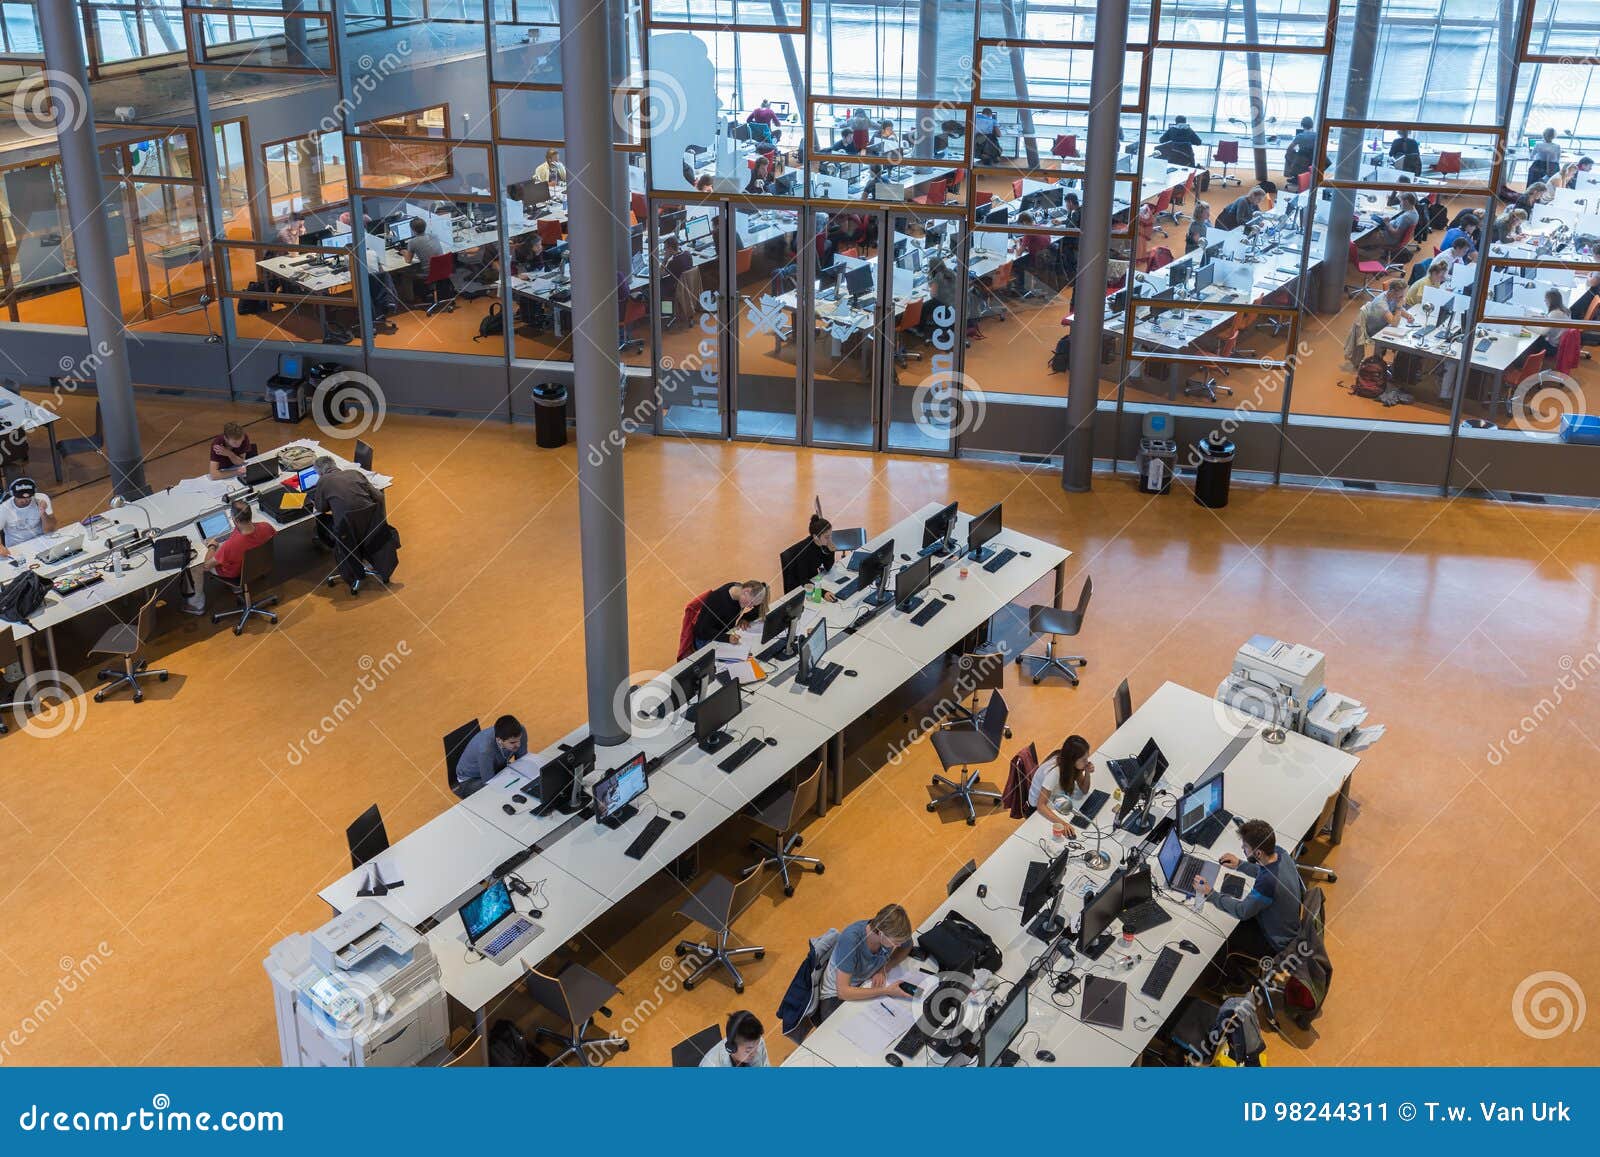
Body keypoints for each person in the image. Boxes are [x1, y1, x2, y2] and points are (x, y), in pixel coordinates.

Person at [1192, 819, 1304, 959]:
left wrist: (1210, 894)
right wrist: (1240, 865)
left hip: (1275, 942)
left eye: (1245, 846)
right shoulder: (1280, 853)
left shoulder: (1267, 883)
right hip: (1287, 926)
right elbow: (1265, 871)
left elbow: (1242, 911)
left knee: (1221, 937)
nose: (1242, 848)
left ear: (1258, 853)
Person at [816, 903, 915, 1019]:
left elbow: (907, 945)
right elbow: (843, 992)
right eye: (895, 943)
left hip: (863, 984)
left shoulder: (889, 931)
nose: (898, 945)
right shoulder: (851, 940)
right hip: (835, 996)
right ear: (881, 934)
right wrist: (886, 991)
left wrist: (883, 968)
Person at [1027, 734, 1094, 835]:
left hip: (1055, 797)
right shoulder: (1054, 772)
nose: (1087, 762)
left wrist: (1087, 772)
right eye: (1084, 760)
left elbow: (1084, 790)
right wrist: (1063, 824)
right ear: (1072, 759)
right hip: (1037, 808)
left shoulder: (1072, 765)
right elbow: (1040, 806)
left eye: (1087, 758)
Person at [201, 499, 276, 587]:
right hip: (259, 564)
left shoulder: (229, 546)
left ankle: (235, 587)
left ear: (235, 520)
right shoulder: (266, 526)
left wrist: (212, 546)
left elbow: (206, 566)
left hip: (235, 574)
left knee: (205, 565)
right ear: (251, 515)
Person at [1344, 278, 1411, 368]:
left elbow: (1397, 306)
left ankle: (1390, 363)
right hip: (1375, 332)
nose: (1402, 298)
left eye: (1403, 296)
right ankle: (1382, 365)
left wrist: (1408, 316)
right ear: (1392, 292)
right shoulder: (1381, 304)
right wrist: (1399, 307)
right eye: (1400, 296)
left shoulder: (1392, 296)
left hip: (1384, 326)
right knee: (1403, 341)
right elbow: (1394, 323)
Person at [455, 715, 529, 794]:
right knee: (504, 792)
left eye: (519, 740)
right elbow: (489, 783)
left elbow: (522, 761)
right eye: (512, 742)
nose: (518, 744)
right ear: (499, 740)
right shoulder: (485, 750)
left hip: (496, 768)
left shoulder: (521, 731)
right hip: (471, 779)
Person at [692, 579, 767, 647]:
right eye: (751, 603)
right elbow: (702, 630)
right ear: (746, 592)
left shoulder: (741, 591)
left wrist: (745, 618)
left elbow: (758, 609)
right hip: (705, 640)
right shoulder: (717, 599)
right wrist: (727, 638)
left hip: (726, 633)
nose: (750, 607)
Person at [0, 477, 54, 557]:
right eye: (20, 498)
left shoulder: (42, 499)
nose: (25, 500)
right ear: (13, 495)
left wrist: (43, 512)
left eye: (29, 497)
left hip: (42, 542)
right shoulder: (3, 508)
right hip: (17, 548)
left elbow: (50, 530)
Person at [698, 1010, 769, 1067]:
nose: (755, 1053)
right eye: (748, 1051)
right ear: (731, 1047)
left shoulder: (756, 1042)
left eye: (756, 1047)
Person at [1357, 192, 1419, 256]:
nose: (1400, 204)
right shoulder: (1415, 213)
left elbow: (1395, 235)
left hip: (1392, 239)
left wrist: (1387, 223)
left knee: (1361, 237)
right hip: (1394, 236)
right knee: (1372, 230)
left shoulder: (1406, 217)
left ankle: (1361, 253)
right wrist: (1390, 222)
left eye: (1401, 201)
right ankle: (1369, 250)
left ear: (1406, 202)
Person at [786, 514, 839, 587]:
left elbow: (828, 567)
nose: (830, 539)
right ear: (815, 537)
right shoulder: (804, 551)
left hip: (813, 579)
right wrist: (821, 591)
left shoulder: (824, 544)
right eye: (827, 537)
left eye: (831, 535)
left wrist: (831, 551)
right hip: (799, 586)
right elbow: (804, 580)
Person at [1283, 116, 1317, 182]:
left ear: (1302, 125)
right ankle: (1301, 175)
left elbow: (1289, 148)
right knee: (1300, 157)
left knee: (1287, 155)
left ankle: (1294, 175)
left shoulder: (1300, 136)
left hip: (1303, 160)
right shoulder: (1317, 135)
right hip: (1314, 159)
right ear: (1312, 125)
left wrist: (1293, 150)